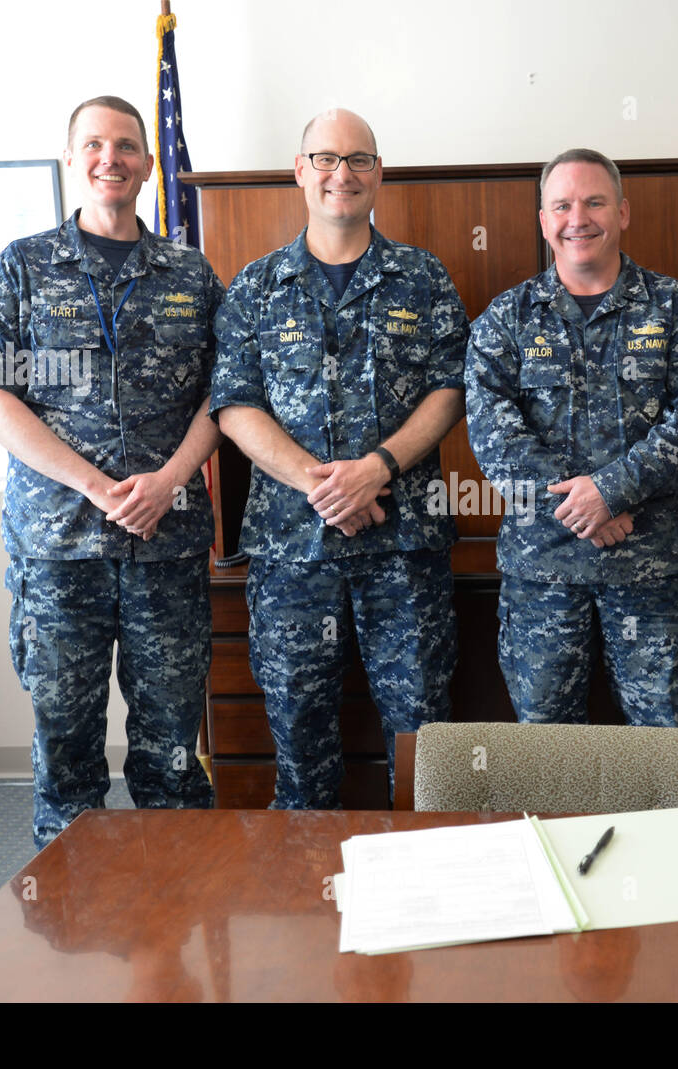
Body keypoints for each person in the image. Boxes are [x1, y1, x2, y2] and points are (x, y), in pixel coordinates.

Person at [0, 96, 222, 847]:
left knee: (172, 754)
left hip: (165, 548)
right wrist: (93, 485)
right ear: (72, 160)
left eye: (127, 145)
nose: (112, 158)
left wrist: (171, 478)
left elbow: (225, 394)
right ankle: (72, 937)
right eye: (95, 145)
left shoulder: (190, 273)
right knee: (68, 755)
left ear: (146, 162)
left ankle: (177, 918)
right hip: (58, 548)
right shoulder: (23, 266)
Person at [211, 108, 466, 808]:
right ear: (301, 172)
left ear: (378, 173)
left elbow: (451, 389)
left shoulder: (423, 278)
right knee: (299, 745)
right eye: (325, 158)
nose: (341, 174)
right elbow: (233, 406)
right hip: (293, 555)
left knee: (425, 751)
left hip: (404, 547)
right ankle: (309, 900)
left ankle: (431, 897)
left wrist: (375, 469)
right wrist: (322, 487)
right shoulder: (256, 287)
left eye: (357, 159)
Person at [466, 148, 678, 726]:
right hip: (544, 575)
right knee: (550, 761)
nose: (577, 218)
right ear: (543, 220)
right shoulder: (506, 319)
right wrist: (586, 508)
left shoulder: (676, 309)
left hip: (654, 572)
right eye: (562, 205)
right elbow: (493, 435)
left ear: (623, 212)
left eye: (594, 202)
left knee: (667, 756)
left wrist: (611, 491)